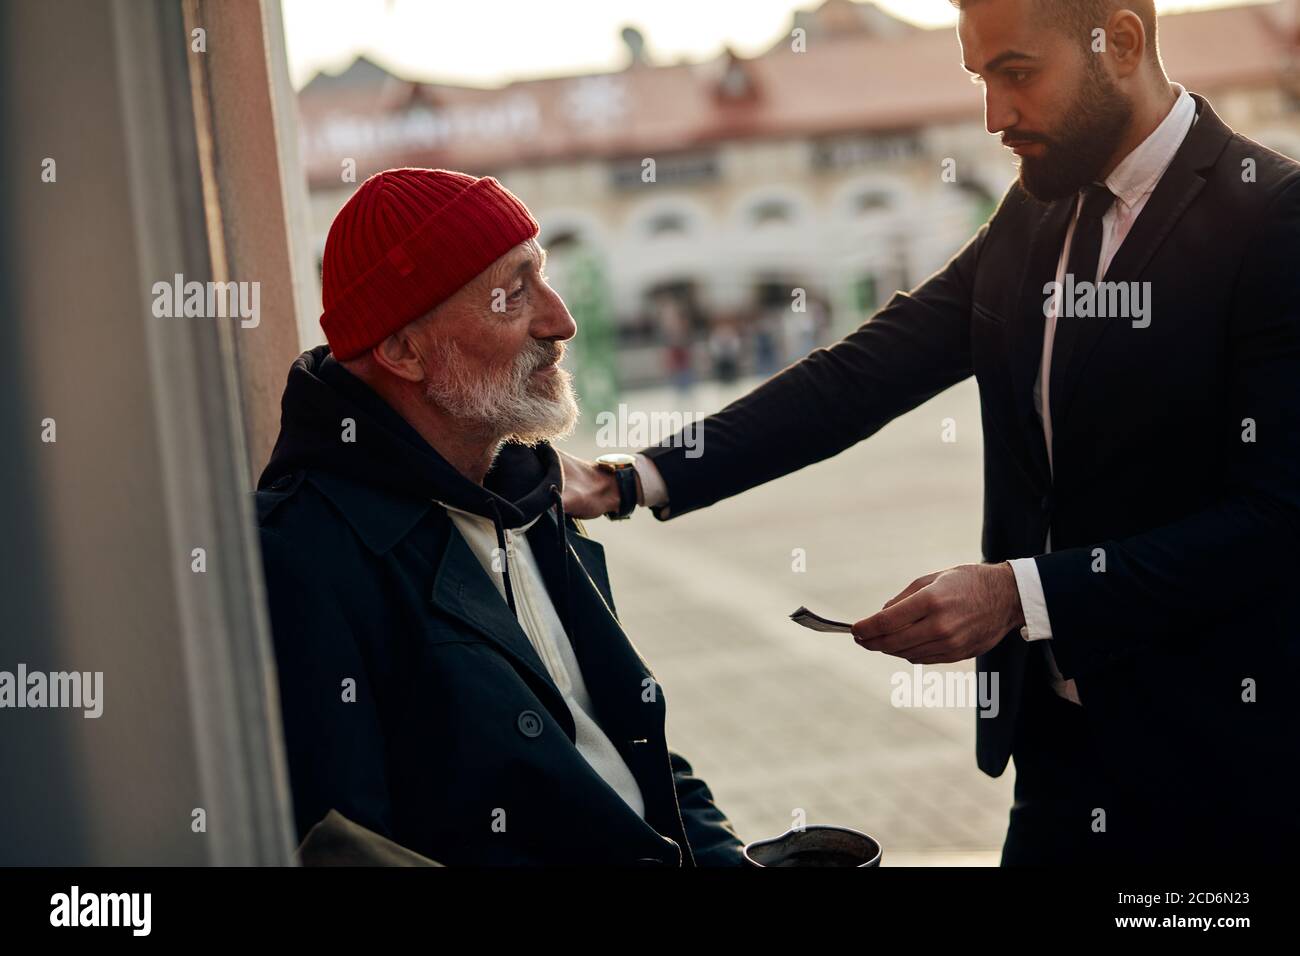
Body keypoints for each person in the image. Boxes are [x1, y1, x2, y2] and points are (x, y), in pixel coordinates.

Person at [563, 0, 1300, 865]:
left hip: (1230, 764)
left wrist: (1016, 596)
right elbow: (863, 374)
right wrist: (632, 476)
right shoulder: (1039, 210)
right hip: (1058, 750)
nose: (995, 116)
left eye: (1017, 73)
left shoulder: (1272, 219)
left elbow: (1277, 520)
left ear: (1124, 42)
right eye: (980, 78)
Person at [255, 168, 743, 866]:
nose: (560, 321)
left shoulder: (528, 495)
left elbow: (641, 757)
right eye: (511, 295)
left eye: (541, 277)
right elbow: (353, 852)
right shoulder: (303, 557)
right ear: (402, 349)